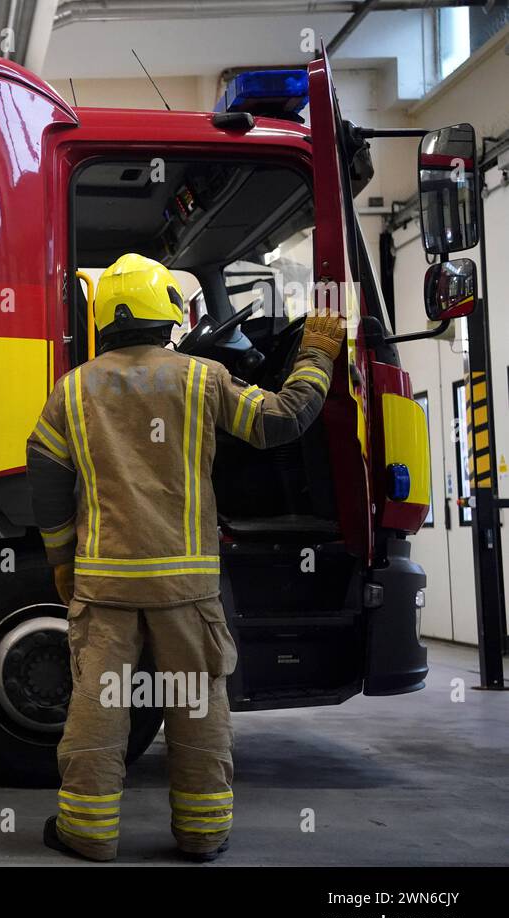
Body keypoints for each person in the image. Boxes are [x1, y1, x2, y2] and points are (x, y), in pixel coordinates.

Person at [25, 253, 345, 861]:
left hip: (105, 580)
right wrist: (315, 357)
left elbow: (44, 473)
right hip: (187, 587)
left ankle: (88, 832)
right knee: (197, 704)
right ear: (168, 312)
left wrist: (62, 558)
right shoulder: (202, 378)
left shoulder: (73, 388)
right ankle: (201, 834)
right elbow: (281, 422)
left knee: (101, 703)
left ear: (104, 319)